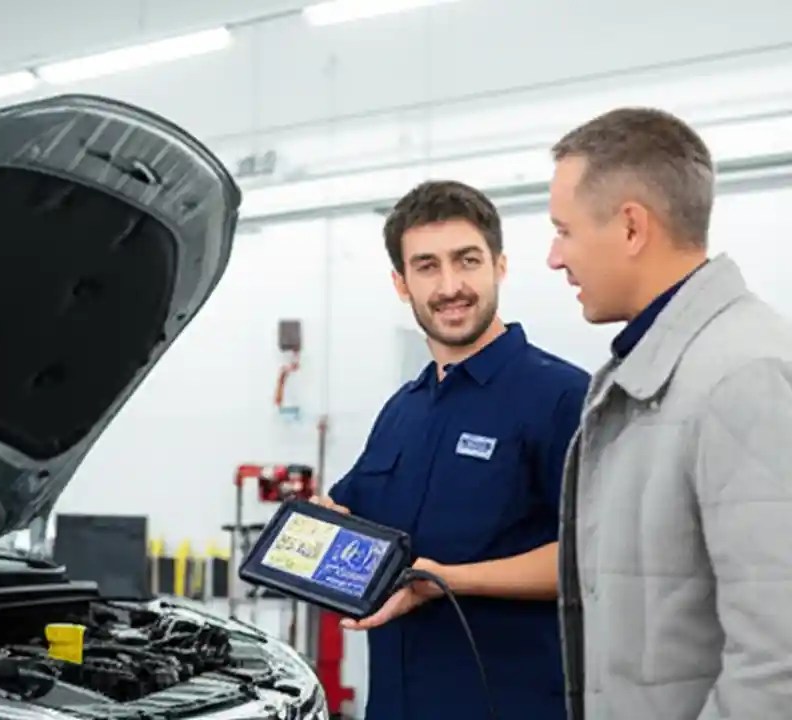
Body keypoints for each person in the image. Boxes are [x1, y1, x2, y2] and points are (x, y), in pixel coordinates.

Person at [547, 107, 792, 720]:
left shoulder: (743, 378)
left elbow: (778, 661)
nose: (554, 257)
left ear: (631, 228)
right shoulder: (656, 375)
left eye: (565, 230)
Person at [312, 180, 590, 719]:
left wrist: (444, 581)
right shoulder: (402, 409)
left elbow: (593, 560)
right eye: (427, 266)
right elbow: (357, 517)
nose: (450, 286)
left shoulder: (562, 397)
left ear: (499, 266)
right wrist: (322, 525)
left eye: (467, 260)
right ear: (401, 283)